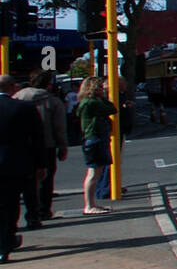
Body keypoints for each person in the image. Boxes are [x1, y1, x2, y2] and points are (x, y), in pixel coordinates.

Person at [0, 74, 45, 261]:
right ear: (12, 87)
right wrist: (40, 164)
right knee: (11, 205)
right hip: (15, 164)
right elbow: (38, 139)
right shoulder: (24, 108)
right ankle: (5, 243)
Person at [15, 70, 68, 226]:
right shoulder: (52, 101)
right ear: (48, 85)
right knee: (46, 178)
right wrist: (62, 146)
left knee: (23, 180)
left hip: (21, 145)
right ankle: (43, 210)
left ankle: (29, 212)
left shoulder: (18, 97)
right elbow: (59, 126)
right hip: (46, 144)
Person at [77, 77, 116, 214]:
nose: (102, 89)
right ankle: (89, 205)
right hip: (95, 139)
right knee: (93, 173)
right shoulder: (92, 103)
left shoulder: (87, 102)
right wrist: (104, 98)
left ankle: (91, 204)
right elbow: (112, 109)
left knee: (96, 172)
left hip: (94, 139)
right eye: (99, 87)